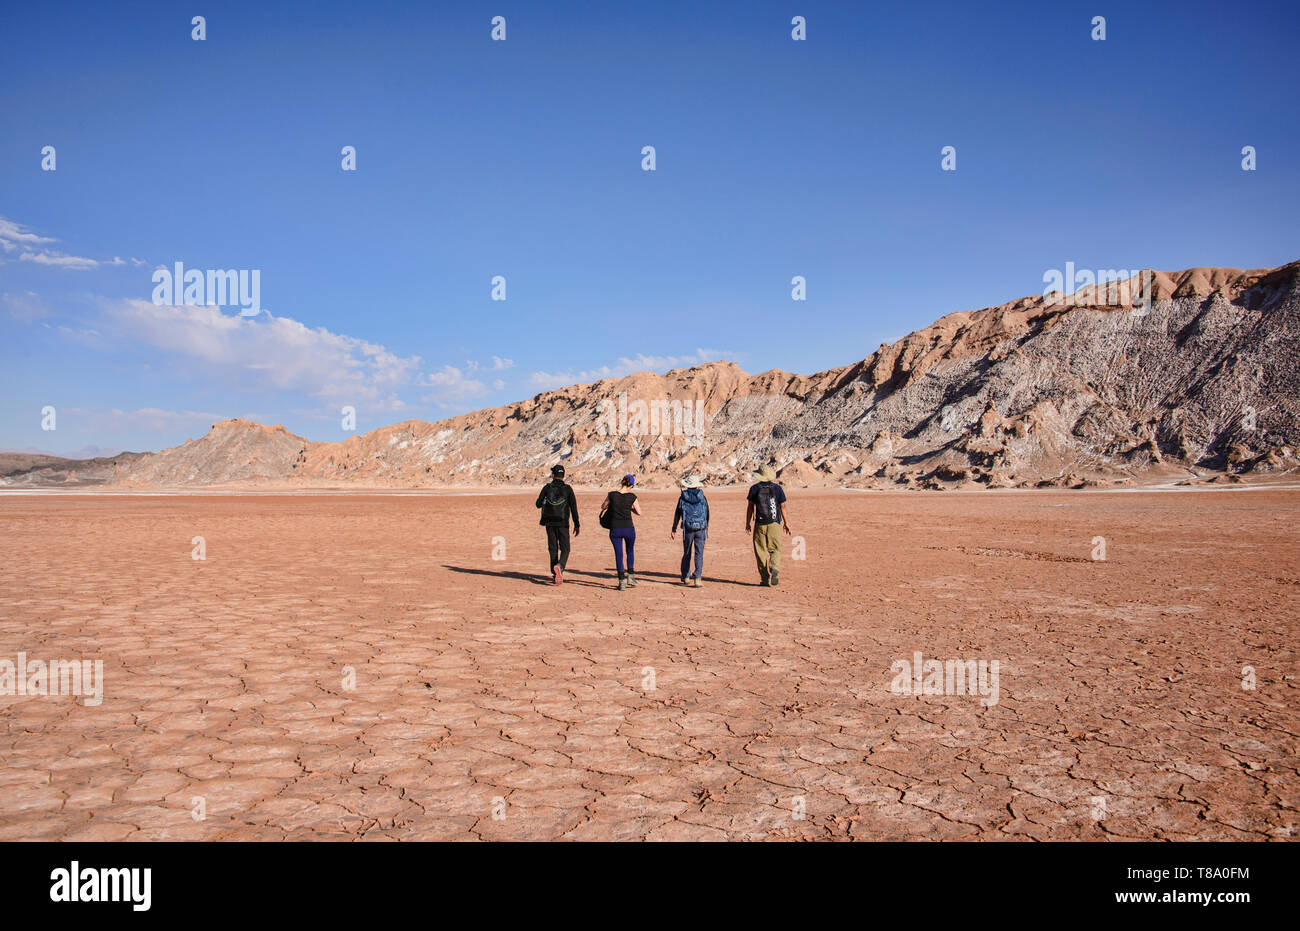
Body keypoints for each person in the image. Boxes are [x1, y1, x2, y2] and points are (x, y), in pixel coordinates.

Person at [745, 464, 791, 586]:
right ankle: (774, 568)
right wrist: (786, 523)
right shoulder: (778, 488)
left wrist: (748, 523)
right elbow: (783, 507)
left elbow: (750, 507)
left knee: (760, 551)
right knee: (775, 549)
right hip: (774, 523)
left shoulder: (754, 489)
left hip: (760, 524)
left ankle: (765, 579)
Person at [535, 464, 579, 584]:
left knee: (553, 548)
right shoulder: (568, 489)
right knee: (566, 548)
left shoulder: (547, 487)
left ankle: (555, 573)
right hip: (563, 522)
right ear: (563, 476)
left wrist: (544, 501)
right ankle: (560, 567)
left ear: (553, 475)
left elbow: (538, 504)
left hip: (549, 522)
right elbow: (574, 508)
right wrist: (577, 524)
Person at [600, 474, 641, 590]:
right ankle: (631, 577)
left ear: (621, 482)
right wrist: (629, 507)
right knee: (630, 551)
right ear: (631, 485)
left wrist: (613, 505)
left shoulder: (612, 495)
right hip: (628, 528)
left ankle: (621, 581)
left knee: (619, 554)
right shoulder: (632, 497)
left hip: (615, 529)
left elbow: (603, 507)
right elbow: (639, 512)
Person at [671, 474, 709, 586]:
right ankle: (697, 578)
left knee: (687, 552)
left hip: (688, 529)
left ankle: (686, 576)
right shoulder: (702, 496)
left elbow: (677, 513)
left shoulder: (683, 497)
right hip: (700, 528)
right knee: (699, 553)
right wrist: (705, 526)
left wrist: (674, 528)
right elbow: (707, 512)